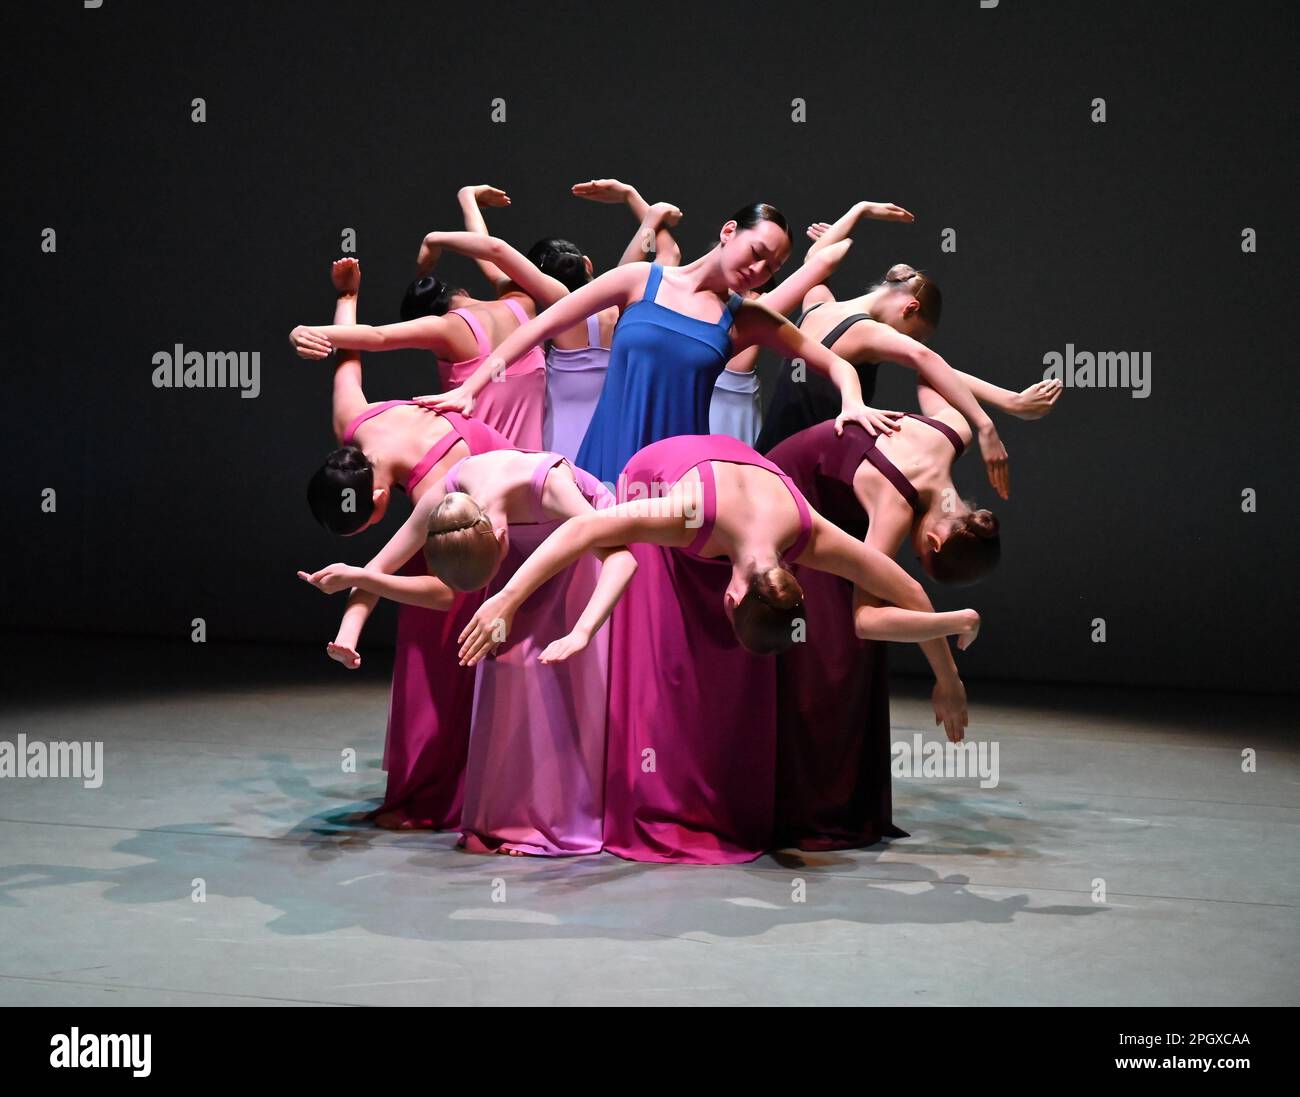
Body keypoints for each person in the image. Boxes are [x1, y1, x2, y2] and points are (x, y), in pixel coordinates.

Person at [455, 434, 979, 864]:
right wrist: (506, 597)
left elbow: (906, 589)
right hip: (662, 468)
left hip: (746, 488)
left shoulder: (809, 532)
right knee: (673, 653)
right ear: (729, 598)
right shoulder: (688, 516)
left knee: (730, 678)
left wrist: (950, 679)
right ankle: (662, 785)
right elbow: (584, 526)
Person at [418, 203, 989, 489]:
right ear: (727, 233)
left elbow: (835, 363)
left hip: (675, 475)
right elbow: (536, 329)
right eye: (757, 250)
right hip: (602, 459)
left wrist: (853, 401)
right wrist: (471, 386)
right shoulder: (640, 282)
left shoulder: (747, 319)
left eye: (776, 264)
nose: (761, 268)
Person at [764, 373, 1061, 849]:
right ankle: (806, 809)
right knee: (837, 656)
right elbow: (865, 621)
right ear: (935, 539)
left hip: (835, 513)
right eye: (919, 558)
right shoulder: (894, 507)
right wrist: (954, 630)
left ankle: (849, 801)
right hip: (784, 506)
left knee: (861, 650)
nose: (912, 557)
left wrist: (1002, 407)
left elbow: (930, 372)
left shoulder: (951, 435)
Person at [301, 446, 636, 852]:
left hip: (575, 558)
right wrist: (348, 633)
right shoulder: (449, 499)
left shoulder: (549, 489)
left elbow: (621, 560)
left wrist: (582, 632)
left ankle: (560, 821)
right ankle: (507, 819)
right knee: (497, 670)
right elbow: (397, 577)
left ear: (500, 540)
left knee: (547, 674)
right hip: (512, 566)